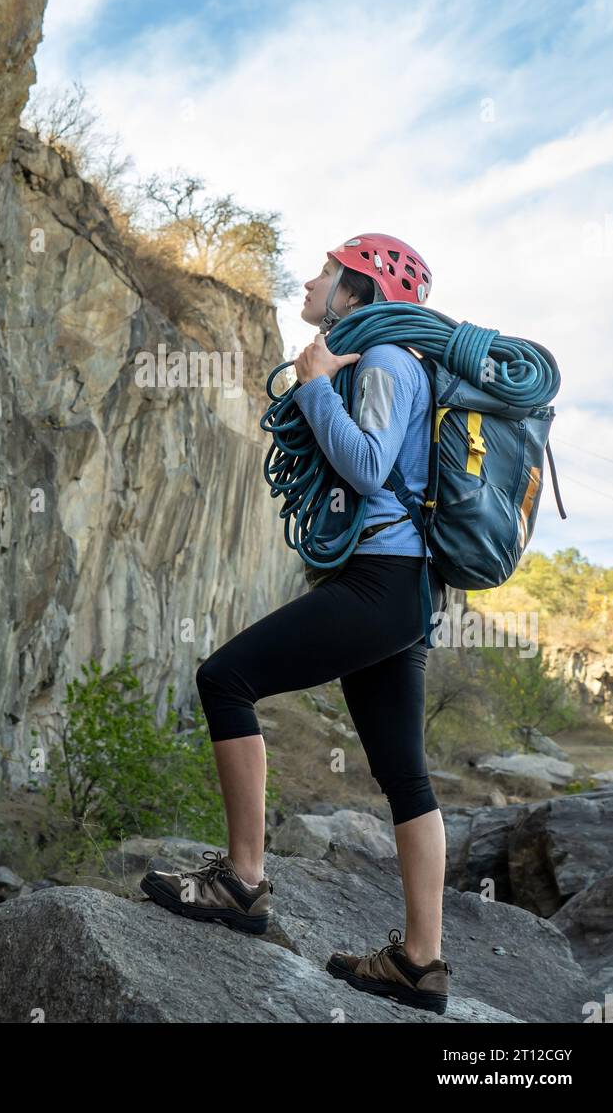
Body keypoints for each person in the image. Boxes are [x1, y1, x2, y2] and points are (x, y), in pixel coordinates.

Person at [139, 234, 453, 1015]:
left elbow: (369, 466)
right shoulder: (390, 359)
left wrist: (314, 386)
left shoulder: (383, 360)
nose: (312, 282)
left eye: (326, 272)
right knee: (403, 773)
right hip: (403, 588)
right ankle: (420, 963)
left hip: (380, 582)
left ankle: (242, 882)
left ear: (359, 289)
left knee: (225, 678)